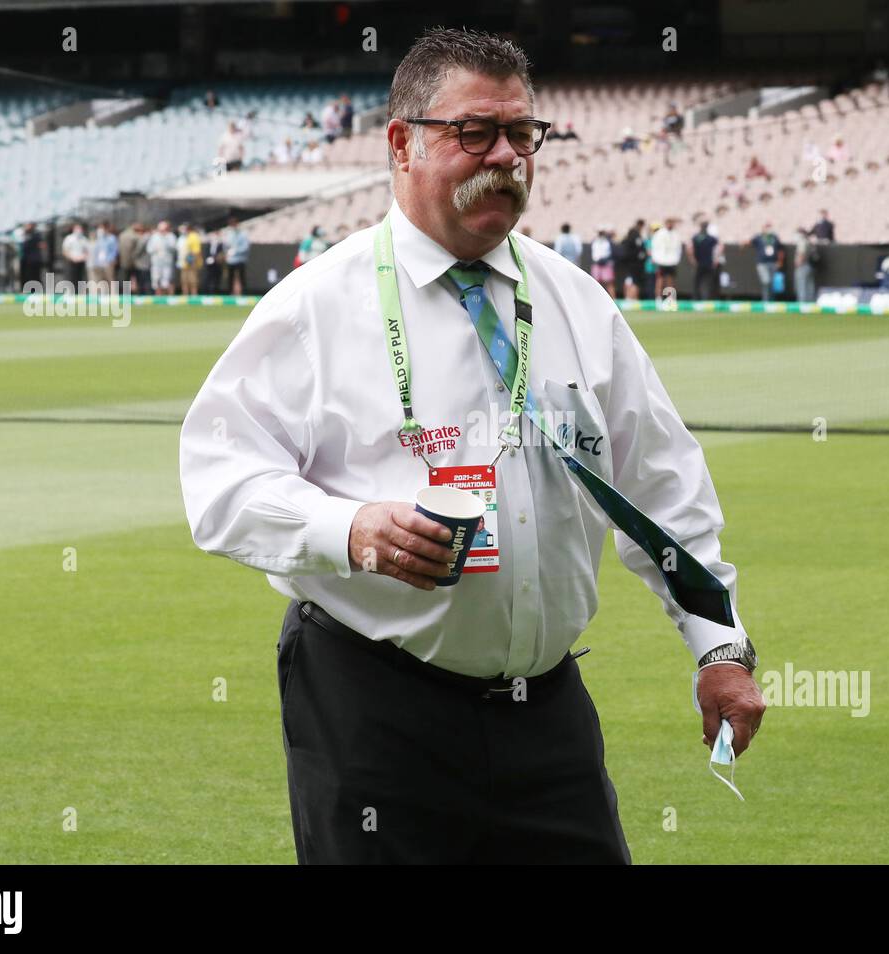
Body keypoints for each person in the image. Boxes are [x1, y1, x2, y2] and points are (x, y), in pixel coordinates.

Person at [178, 26, 762, 866]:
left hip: (548, 715)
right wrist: (351, 531)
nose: (507, 156)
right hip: (375, 713)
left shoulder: (575, 303)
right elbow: (219, 481)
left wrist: (720, 646)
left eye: (522, 134)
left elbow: (661, 488)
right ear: (401, 143)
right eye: (474, 133)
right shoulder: (316, 307)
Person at [746, 223, 783, 302]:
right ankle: (765, 300)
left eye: (769, 227)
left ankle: (772, 300)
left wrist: (780, 261)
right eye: (766, 227)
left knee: (772, 283)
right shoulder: (759, 237)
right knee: (766, 281)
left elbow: (780, 250)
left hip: (773, 263)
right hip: (762, 263)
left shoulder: (775, 237)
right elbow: (749, 242)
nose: (768, 229)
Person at [650, 217, 683, 298]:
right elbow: (654, 246)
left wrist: (677, 259)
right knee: (660, 280)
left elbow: (678, 248)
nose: (671, 225)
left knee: (670, 281)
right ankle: (658, 299)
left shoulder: (676, 234)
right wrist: (655, 258)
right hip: (661, 261)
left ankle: (670, 299)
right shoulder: (660, 234)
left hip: (672, 261)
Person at [145, 220, 178, 295]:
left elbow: (174, 248)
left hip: (167, 262)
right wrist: (155, 249)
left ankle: (167, 296)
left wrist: (166, 243)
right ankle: (158, 296)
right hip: (156, 262)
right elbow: (149, 249)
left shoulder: (171, 236)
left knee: (167, 279)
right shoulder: (154, 237)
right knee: (156, 279)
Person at [689, 219, 719, 301]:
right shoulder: (697, 237)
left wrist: (716, 258)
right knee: (698, 282)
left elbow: (719, 247)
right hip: (700, 263)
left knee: (707, 282)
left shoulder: (710, 238)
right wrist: (692, 259)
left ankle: (706, 298)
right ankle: (698, 298)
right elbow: (690, 248)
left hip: (707, 263)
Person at [619, 220, 647, 301]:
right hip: (635, 265)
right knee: (634, 282)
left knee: (629, 280)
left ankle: (628, 297)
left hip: (629, 265)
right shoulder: (636, 236)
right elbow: (640, 251)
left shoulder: (628, 237)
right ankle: (632, 298)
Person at [118, 222, 148, 294]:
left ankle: (125, 295)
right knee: (139, 280)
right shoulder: (136, 236)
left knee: (125, 280)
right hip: (135, 262)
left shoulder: (122, 235)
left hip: (124, 261)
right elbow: (138, 249)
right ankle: (139, 294)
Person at [224, 218, 251, 295]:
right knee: (230, 277)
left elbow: (246, 247)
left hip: (240, 259)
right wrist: (228, 252)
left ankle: (243, 292)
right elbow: (226, 245)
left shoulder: (243, 234)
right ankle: (230, 292)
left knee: (242, 276)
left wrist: (235, 251)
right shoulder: (229, 234)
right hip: (231, 260)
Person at [89, 222, 118, 291]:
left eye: (101, 228)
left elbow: (114, 250)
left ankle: (113, 296)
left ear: (106, 229)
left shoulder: (111, 238)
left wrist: (111, 260)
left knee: (110, 280)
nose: (100, 230)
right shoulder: (97, 239)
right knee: (99, 282)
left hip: (108, 263)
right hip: (97, 263)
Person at [589, 225, 616, 297]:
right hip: (597, 264)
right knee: (595, 283)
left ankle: (614, 300)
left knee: (609, 283)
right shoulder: (595, 241)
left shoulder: (608, 241)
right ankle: (595, 299)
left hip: (606, 264)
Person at [792, 226, 816, 304]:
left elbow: (801, 254)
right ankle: (810, 303)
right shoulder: (809, 242)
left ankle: (802, 304)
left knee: (801, 286)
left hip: (803, 266)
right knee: (809, 286)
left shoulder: (802, 242)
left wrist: (798, 263)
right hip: (810, 266)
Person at [61, 222, 89, 287]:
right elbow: (65, 251)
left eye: (80, 228)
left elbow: (87, 251)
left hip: (81, 262)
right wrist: (72, 258)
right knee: (70, 280)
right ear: (73, 229)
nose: (79, 230)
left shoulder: (84, 239)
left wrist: (83, 257)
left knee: (81, 280)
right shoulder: (69, 238)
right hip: (71, 262)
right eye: (77, 228)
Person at [18, 221, 44, 289]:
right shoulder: (22, 234)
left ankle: (36, 291)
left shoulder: (37, 234)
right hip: (25, 259)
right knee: (25, 276)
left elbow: (42, 245)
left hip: (34, 260)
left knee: (35, 277)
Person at [179, 223, 203, 295]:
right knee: (184, 280)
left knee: (193, 280)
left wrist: (191, 261)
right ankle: (185, 295)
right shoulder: (186, 237)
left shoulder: (194, 237)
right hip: (185, 263)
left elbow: (196, 252)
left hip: (191, 262)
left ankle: (194, 295)